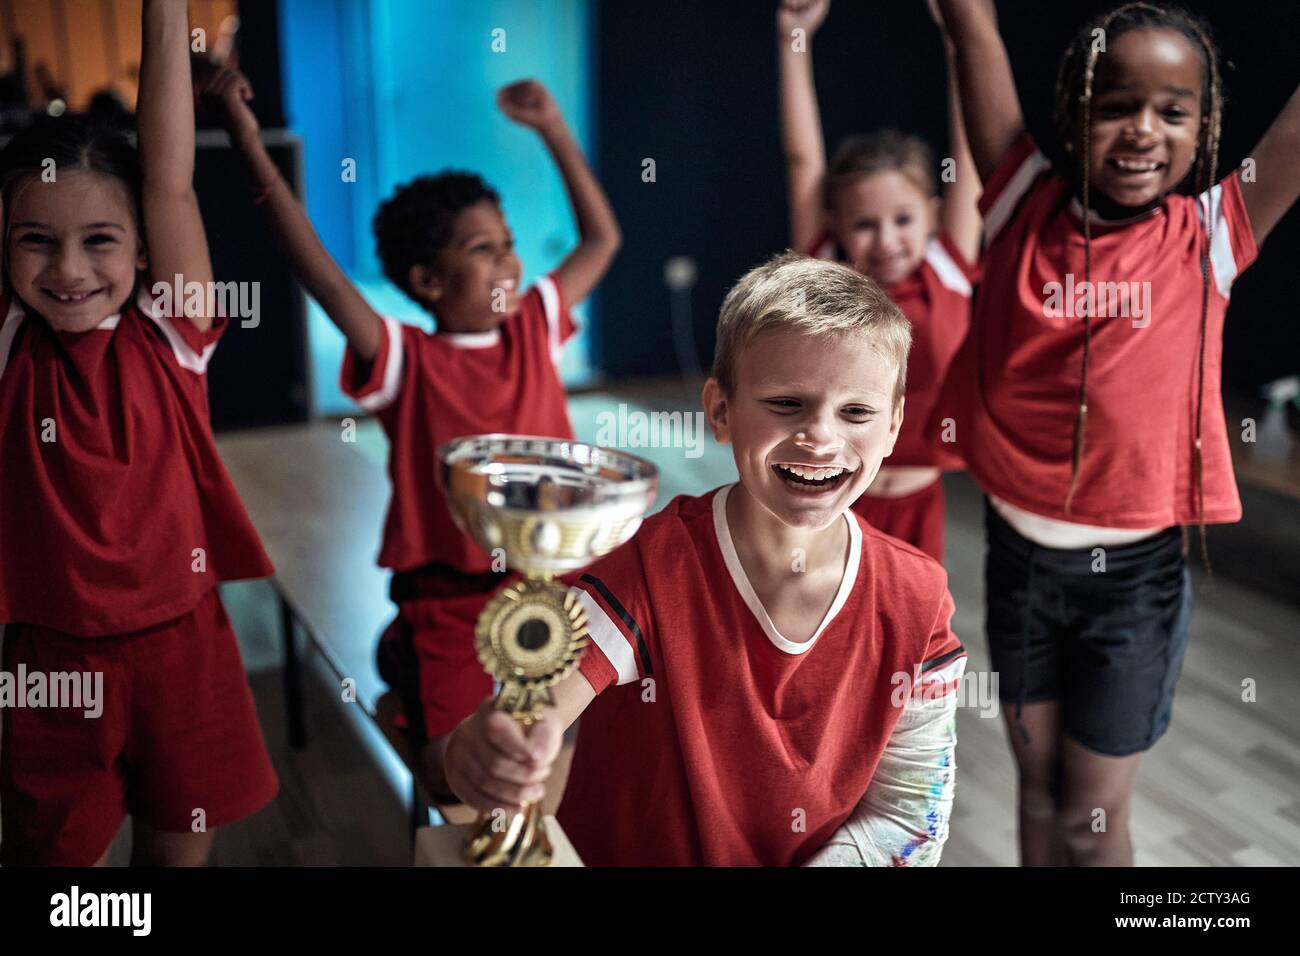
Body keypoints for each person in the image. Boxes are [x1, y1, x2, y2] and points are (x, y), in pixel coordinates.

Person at [445, 254, 968, 866]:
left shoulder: (919, 596)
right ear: (720, 410)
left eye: (856, 412)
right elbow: (535, 711)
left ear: (894, 425)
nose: (821, 438)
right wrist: (485, 756)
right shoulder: (650, 565)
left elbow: (909, 819)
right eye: (786, 403)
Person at [933, 0, 1300, 864]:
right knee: (1034, 797)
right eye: (1115, 105)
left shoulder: (1210, 234)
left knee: (1087, 825)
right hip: (1019, 563)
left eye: (1174, 111)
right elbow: (971, 29)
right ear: (1073, 115)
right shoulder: (1019, 199)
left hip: (1132, 586)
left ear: (1204, 126)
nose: (1143, 130)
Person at [0, 0, 278, 866]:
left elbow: (169, 178)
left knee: (178, 850)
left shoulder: (174, 331)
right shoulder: (10, 344)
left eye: (100, 241)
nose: (70, 269)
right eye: (36, 242)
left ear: (144, 253)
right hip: (52, 661)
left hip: (183, 649)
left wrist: (167, 9)